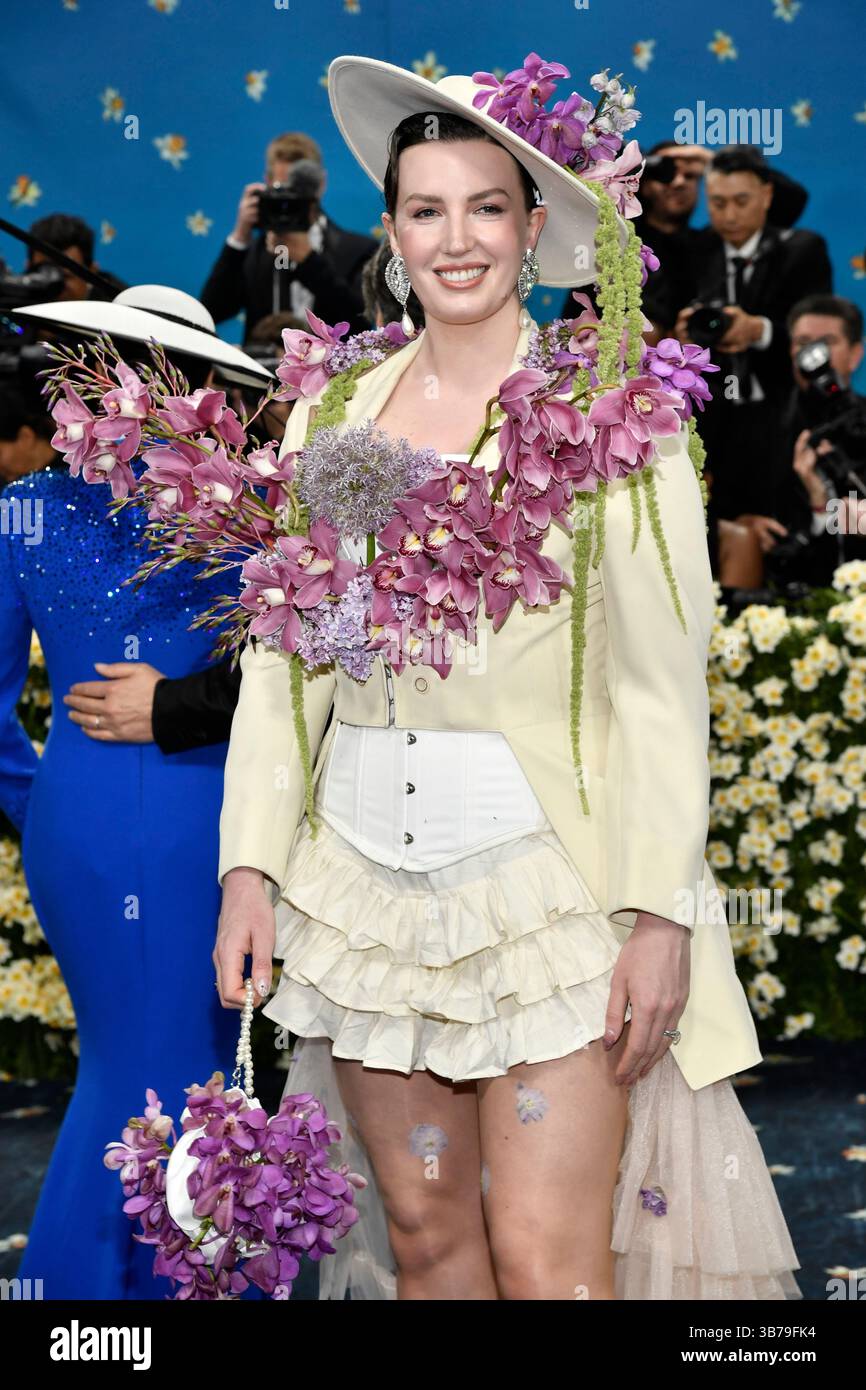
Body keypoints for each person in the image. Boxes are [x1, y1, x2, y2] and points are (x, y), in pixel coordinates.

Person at [214, 54, 802, 1301]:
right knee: (428, 1248)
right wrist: (250, 868)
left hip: (549, 896)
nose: (456, 238)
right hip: (362, 897)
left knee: (549, 1264)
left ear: (537, 226)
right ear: (391, 232)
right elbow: (283, 662)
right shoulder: (330, 415)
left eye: (487, 207)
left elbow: (656, 685)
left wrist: (654, 911)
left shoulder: (611, 416)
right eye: (425, 209)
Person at [0, 286, 273, 1298]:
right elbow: (295, 683)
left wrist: (47, 805)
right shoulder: (250, 512)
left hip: (97, 824)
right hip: (204, 821)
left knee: (141, 1072)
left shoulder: (22, 506)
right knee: (169, 1075)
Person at [674, 146, 832, 525]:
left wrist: (758, 330)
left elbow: (817, 338)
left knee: (779, 531)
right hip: (710, 423)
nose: (729, 215)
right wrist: (680, 340)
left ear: (767, 196)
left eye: (741, 201)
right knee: (712, 532)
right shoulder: (693, 251)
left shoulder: (800, 250)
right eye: (717, 203)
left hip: (778, 419)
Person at [200, 131, 378, 343]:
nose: (291, 198)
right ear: (267, 183)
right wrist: (240, 236)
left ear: (321, 184)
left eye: (299, 190)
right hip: (264, 372)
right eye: (282, 189)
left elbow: (361, 323)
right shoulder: (254, 252)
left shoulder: (358, 250)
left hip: (336, 373)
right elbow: (212, 311)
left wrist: (308, 261)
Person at [739, 294, 866, 589]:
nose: (815, 353)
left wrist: (825, 506)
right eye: (804, 342)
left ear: (855, 354)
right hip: (783, 586)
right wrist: (749, 523)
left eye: (828, 341)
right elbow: (730, 506)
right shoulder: (761, 424)